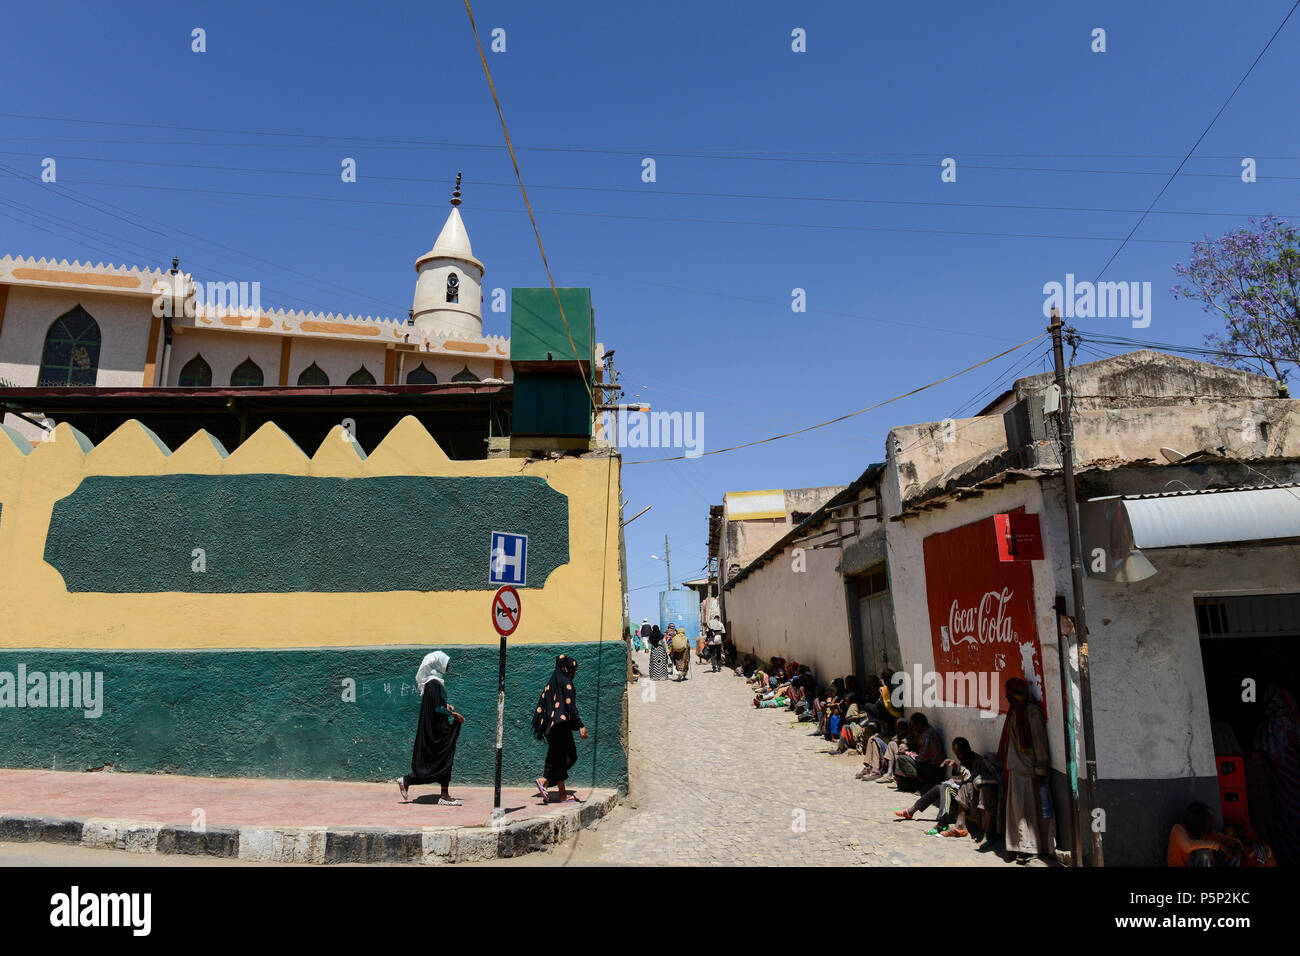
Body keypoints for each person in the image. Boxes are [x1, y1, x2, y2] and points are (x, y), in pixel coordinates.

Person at [395, 651, 465, 806]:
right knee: (441, 759)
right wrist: (453, 714)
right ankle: (408, 780)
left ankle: (444, 794)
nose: (448, 665)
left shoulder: (432, 682)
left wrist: (446, 706)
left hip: (437, 728)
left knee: (445, 759)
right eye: (446, 662)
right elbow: (436, 708)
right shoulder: (433, 683)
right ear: (437, 663)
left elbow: (437, 703)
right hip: (437, 731)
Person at [999, 677, 1055, 862]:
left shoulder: (1031, 712)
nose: (1006, 696)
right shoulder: (1015, 712)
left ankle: (1031, 847)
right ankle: (1019, 845)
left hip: (1029, 769)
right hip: (1015, 768)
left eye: (1008, 693)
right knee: (1018, 811)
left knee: (1029, 811)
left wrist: (1041, 767)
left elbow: (1039, 741)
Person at [533, 654, 589, 803]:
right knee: (569, 756)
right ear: (567, 668)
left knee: (558, 758)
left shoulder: (551, 683)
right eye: (574, 669)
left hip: (550, 728)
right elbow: (571, 708)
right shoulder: (567, 684)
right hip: (561, 727)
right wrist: (581, 726)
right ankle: (544, 780)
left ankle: (562, 794)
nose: (574, 673)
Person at [1167, 802, 1243, 867]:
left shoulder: (1207, 834)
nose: (1212, 825)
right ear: (1198, 824)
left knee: (1233, 853)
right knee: (1202, 853)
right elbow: (1187, 846)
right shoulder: (1178, 829)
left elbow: (1230, 840)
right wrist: (1218, 846)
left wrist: (1237, 846)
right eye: (1209, 823)